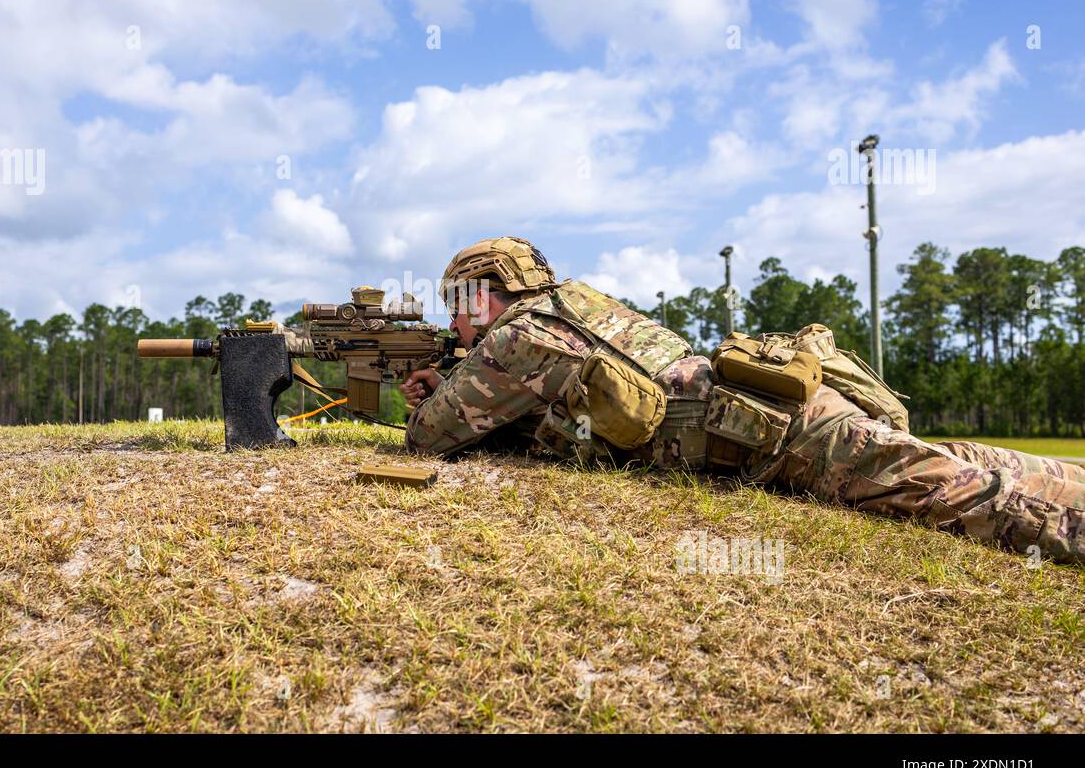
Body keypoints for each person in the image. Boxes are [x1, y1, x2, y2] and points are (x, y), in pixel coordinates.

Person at [400, 236, 1085, 565]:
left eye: (457, 309)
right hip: (779, 411)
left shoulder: (514, 338)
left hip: (784, 437)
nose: (455, 325)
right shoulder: (574, 309)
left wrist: (435, 392)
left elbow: (428, 441)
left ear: (479, 293)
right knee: (951, 461)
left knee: (959, 497)